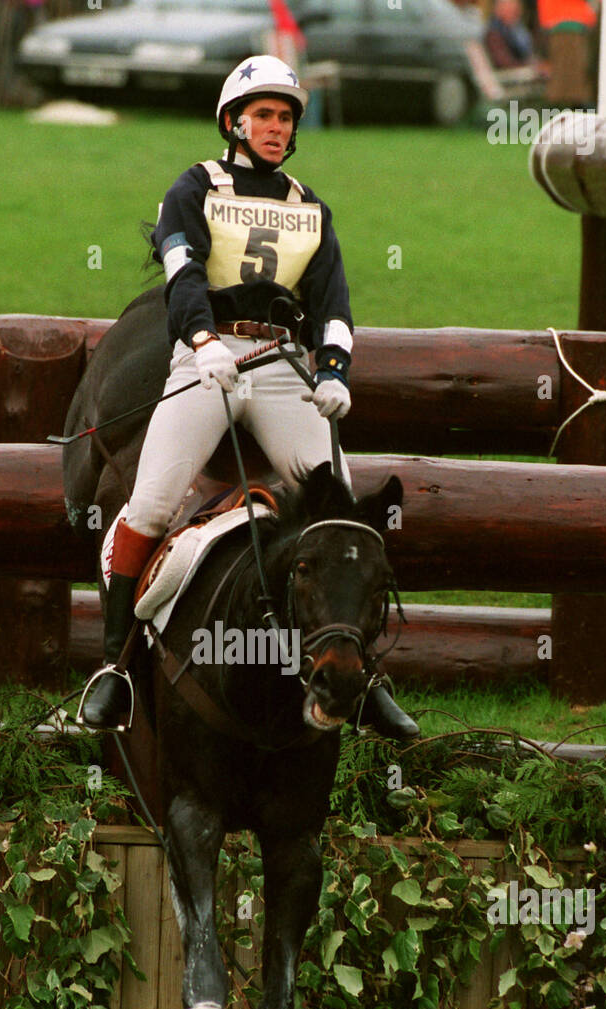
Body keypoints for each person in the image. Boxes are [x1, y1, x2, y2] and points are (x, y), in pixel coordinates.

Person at [80, 55, 417, 743]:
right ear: (233, 121)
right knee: (150, 502)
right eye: (263, 114)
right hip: (208, 357)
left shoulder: (309, 205)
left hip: (281, 364)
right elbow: (182, 272)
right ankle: (113, 669)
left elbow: (334, 302)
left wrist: (331, 371)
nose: (275, 126)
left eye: (285, 116)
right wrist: (202, 342)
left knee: (343, 512)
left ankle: (368, 680)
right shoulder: (194, 187)